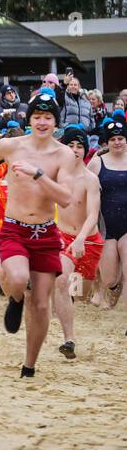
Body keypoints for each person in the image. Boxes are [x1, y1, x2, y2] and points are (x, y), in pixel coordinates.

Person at [0, 92, 78, 377]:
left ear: (56, 123)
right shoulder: (11, 146)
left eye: (48, 118)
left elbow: (67, 198)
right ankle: (15, 299)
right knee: (19, 278)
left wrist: (39, 174)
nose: (42, 122)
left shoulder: (63, 154)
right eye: (37, 117)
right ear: (29, 120)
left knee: (42, 304)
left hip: (46, 233)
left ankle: (29, 365)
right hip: (14, 228)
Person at [52, 126, 102, 358]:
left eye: (79, 146)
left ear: (85, 150)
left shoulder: (90, 180)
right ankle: (69, 339)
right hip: (63, 237)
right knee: (62, 281)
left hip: (88, 240)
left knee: (80, 293)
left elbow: (93, 214)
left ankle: (98, 291)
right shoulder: (56, 175)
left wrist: (81, 238)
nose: (74, 150)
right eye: (70, 145)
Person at [88, 117, 127, 308]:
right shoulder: (97, 164)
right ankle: (114, 286)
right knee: (111, 279)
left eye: (121, 138)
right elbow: (84, 190)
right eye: (113, 139)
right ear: (107, 142)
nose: (117, 142)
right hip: (106, 227)